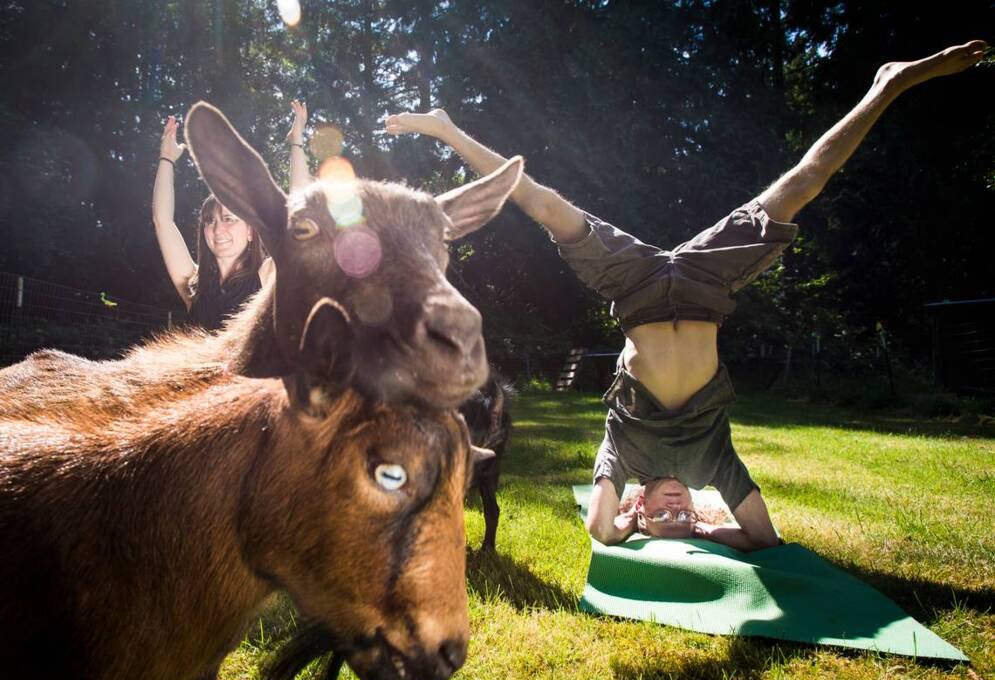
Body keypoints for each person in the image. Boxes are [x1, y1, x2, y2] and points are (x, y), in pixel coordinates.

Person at [385, 40, 988, 550]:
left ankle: (444, 126)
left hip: (636, 285)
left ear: (641, 507)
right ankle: (887, 87)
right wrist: (705, 533)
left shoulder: (624, 460)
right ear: (696, 508)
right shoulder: (711, 462)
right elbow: (762, 536)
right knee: (804, 185)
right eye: (683, 514)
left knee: (537, 201)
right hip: (705, 285)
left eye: (660, 516)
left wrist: (627, 527)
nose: (673, 509)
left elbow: (600, 529)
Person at [152, 99, 313, 330]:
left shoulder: (267, 277)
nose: (218, 229)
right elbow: (162, 221)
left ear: (250, 231)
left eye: (229, 219)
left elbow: (298, 218)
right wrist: (166, 159)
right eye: (210, 221)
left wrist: (296, 142)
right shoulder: (193, 286)